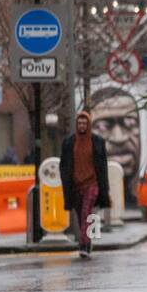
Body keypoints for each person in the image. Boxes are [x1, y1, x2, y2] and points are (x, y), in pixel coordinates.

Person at [59, 110, 111, 259]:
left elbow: (103, 165)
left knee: (86, 213)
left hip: (92, 183)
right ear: (77, 125)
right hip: (75, 185)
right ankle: (88, 242)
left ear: (89, 124)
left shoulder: (97, 142)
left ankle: (83, 245)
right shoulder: (68, 142)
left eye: (84, 123)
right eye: (79, 123)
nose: (82, 125)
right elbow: (64, 165)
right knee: (81, 216)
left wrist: (104, 187)